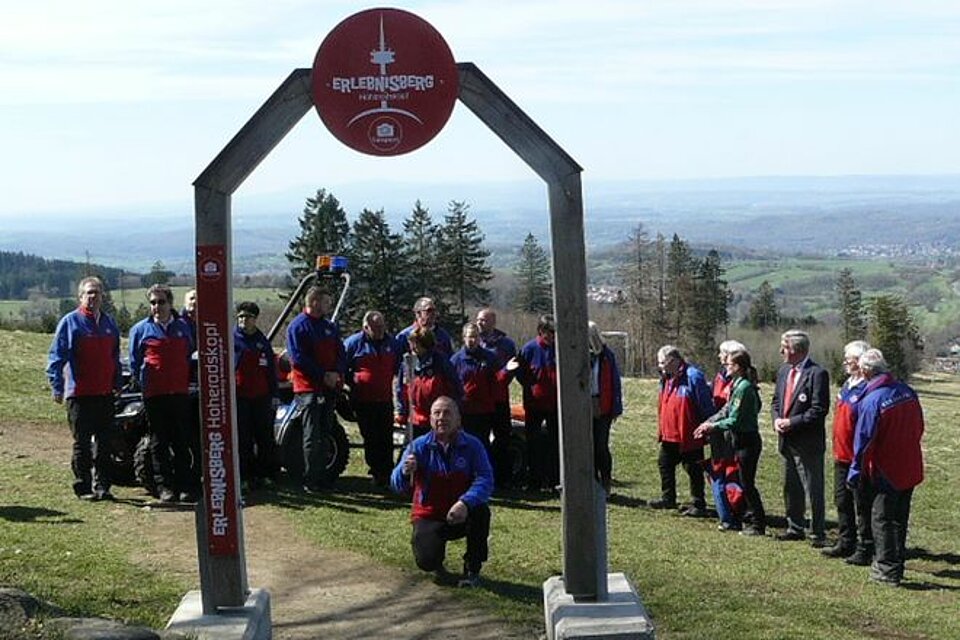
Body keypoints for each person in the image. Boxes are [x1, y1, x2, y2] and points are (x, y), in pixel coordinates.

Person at [390, 396, 494, 588]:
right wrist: (405, 472)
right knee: (426, 561)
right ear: (430, 419)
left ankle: (473, 568)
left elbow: (485, 479)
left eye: (447, 413)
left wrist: (465, 502)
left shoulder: (473, 446)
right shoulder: (418, 446)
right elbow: (396, 484)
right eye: (436, 413)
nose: (441, 418)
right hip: (430, 515)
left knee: (481, 512)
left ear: (458, 419)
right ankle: (436, 562)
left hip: (461, 512)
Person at [847, 349, 924, 586]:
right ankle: (896, 563)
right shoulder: (907, 392)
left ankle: (886, 569)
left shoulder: (872, 400)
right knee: (900, 517)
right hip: (909, 466)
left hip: (886, 469)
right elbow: (919, 426)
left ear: (867, 371)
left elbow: (864, 440)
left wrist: (855, 470)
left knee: (881, 519)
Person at [46, 276, 122, 501]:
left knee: (104, 443)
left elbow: (115, 356)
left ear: (102, 296)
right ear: (80, 297)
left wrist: (116, 382)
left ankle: (103, 487)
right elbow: (56, 356)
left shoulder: (109, 324)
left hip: (105, 393)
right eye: (88, 293)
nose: (93, 296)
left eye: (96, 292)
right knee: (82, 444)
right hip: (79, 394)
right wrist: (57, 386)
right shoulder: (70, 322)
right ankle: (84, 487)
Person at [129, 284, 197, 503]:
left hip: (178, 392)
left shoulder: (183, 327)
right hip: (154, 394)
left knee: (180, 440)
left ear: (170, 303)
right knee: (158, 442)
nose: (157, 306)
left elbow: (189, 353)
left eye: (161, 302)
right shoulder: (140, 330)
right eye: (153, 303)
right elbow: (134, 362)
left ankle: (185, 486)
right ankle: (164, 487)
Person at [695, 349, 766, 536]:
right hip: (738, 440)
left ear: (738, 367)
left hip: (747, 441)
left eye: (729, 364)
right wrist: (708, 422)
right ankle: (753, 521)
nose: (726, 367)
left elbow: (734, 419)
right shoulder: (736, 384)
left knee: (747, 483)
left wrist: (713, 427)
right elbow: (727, 410)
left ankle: (759, 524)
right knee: (744, 481)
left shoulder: (744, 387)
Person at [771, 329, 830, 547]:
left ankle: (817, 533)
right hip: (787, 441)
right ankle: (794, 527)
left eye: (784, 348)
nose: (781, 351)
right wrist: (777, 419)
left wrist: (792, 422)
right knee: (791, 486)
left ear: (797, 350)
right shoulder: (784, 371)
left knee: (812, 489)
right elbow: (776, 401)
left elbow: (818, 409)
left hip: (808, 443)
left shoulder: (817, 374)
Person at [286, 286, 345, 492]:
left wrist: (336, 372)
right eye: (326, 301)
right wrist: (323, 375)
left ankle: (324, 476)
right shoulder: (298, 327)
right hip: (308, 389)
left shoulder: (329, 327)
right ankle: (311, 479)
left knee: (325, 432)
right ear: (314, 302)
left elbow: (340, 350)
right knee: (311, 434)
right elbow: (299, 359)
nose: (329, 305)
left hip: (329, 388)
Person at [822, 340, 872, 562]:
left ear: (860, 362)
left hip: (857, 458)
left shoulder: (867, 388)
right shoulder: (847, 384)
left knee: (861, 504)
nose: (845, 361)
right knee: (841, 500)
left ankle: (865, 546)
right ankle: (846, 540)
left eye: (849, 358)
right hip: (840, 454)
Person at [653, 345, 714, 515]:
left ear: (673, 360)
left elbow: (705, 404)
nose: (660, 366)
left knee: (693, 468)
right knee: (664, 464)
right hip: (669, 434)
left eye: (662, 362)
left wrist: (707, 428)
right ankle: (668, 498)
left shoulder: (693, 376)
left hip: (689, 434)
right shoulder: (666, 378)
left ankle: (698, 503)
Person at [344, 310, 398, 487]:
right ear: (366, 327)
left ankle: (387, 472)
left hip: (385, 399)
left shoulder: (392, 343)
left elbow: (399, 368)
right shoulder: (353, 344)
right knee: (371, 437)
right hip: (363, 400)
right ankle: (376, 472)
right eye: (376, 327)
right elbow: (342, 367)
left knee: (386, 437)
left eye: (382, 326)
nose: (380, 330)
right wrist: (352, 384)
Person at [507, 314, 559, 492]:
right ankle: (534, 481)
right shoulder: (529, 349)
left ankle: (554, 481)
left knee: (555, 444)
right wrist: (531, 385)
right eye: (550, 332)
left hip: (555, 405)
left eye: (555, 332)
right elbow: (518, 372)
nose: (552, 336)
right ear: (541, 331)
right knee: (533, 443)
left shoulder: (559, 349)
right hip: (534, 405)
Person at [233, 301, 279, 492]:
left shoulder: (262, 341)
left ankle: (265, 475)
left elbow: (270, 370)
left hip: (261, 397)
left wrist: (274, 395)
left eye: (248, 317)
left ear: (255, 319)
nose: (244, 320)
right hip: (240, 397)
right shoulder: (231, 338)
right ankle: (243, 477)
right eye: (241, 316)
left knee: (264, 438)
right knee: (243, 439)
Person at [705, 340, 749, 531]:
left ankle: (732, 515)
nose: (719, 357)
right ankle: (725, 514)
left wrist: (712, 424)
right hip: (717, 431)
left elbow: (730, 409)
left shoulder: (741, 383)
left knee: (729, 474)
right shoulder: (721, 377)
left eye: (722, 354)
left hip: (729, 434)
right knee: (718, 473)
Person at [396, 327, 463, 440]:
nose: (412, 347)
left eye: (415, 344)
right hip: (414, 419)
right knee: (410, 454)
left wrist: (453, 412)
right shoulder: (408, 362)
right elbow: (401, 388)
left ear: (425, 344)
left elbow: (456, 387)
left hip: (438, 418)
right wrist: (401, 411)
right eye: (411, 344)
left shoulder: (441, 361)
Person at [476, 308, 518, 488]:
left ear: (493, 322)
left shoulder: (506, 344)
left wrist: (500, 380)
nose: (479, 323)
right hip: (480, 401)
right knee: (480, 439)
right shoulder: (474, 342)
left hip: (499, 398)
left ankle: (503, 478)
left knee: (503, 439)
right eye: (478, 320)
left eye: (484, 320)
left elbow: (512, 368)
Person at [450, 322, 498, 454]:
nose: (473, 340)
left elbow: (496, 381)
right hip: (464, 412)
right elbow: (451, 387)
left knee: (483, 445)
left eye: (476, 337)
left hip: (484, 411)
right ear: (463, 338)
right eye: (470, 336)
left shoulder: (489, 357)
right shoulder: (455, 360)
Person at [588, 321, 622, 494]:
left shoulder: (607, 355)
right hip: (585, 403)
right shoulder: (580, 353)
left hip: (602, 403)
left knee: (601, 445)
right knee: (588, 445)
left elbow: (615, 381)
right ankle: (591, 481)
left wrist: (617, 407)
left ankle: (606, 481)